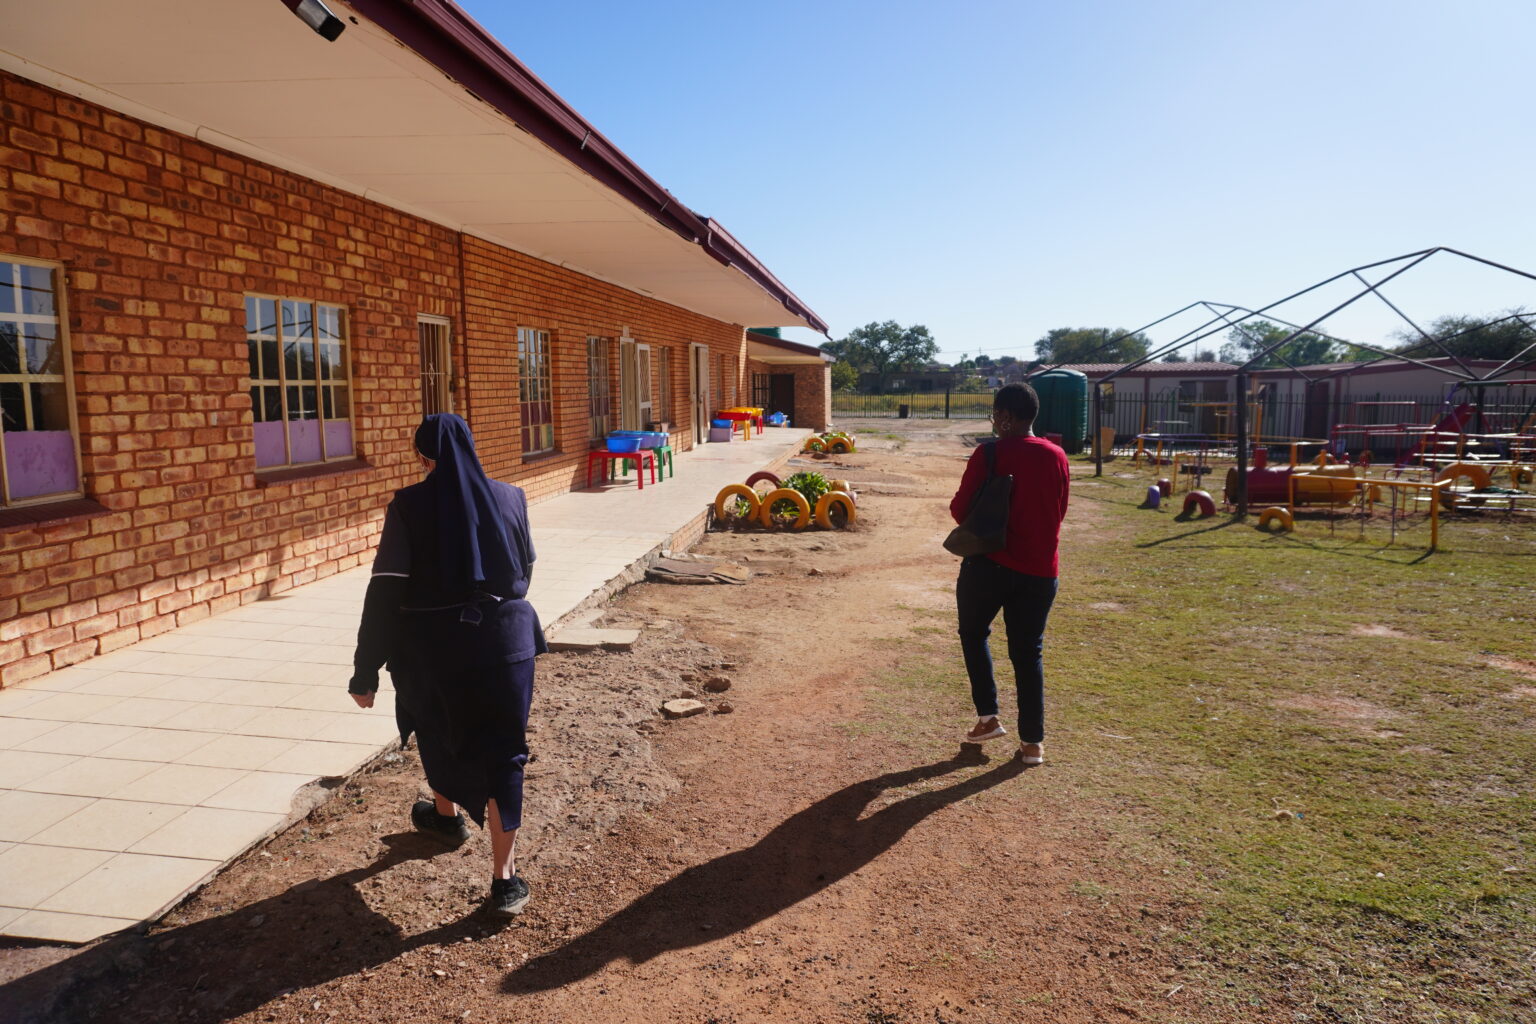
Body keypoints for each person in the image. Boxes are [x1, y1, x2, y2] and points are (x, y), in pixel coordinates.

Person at [349, 413, 546, 917]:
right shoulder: (512, 497)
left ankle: (448, 816)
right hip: (506, 642)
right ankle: (504, 879)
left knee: (435, 724)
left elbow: (385, 591)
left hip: (432, 648)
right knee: (505, 752)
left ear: (423, 456)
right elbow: (524, 568)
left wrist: (365, 670)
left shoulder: (409, 505)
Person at [948, 383, 1069, 764]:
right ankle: (1032, 743)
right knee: (1028, 653)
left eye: (995, 413)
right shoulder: (1057, 455)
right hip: (1041, 570)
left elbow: (960, 510)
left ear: (1005, 416)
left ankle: (988, 717)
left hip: (989, 565)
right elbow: (1060, 509)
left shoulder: (989, 454)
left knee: (973, 633)